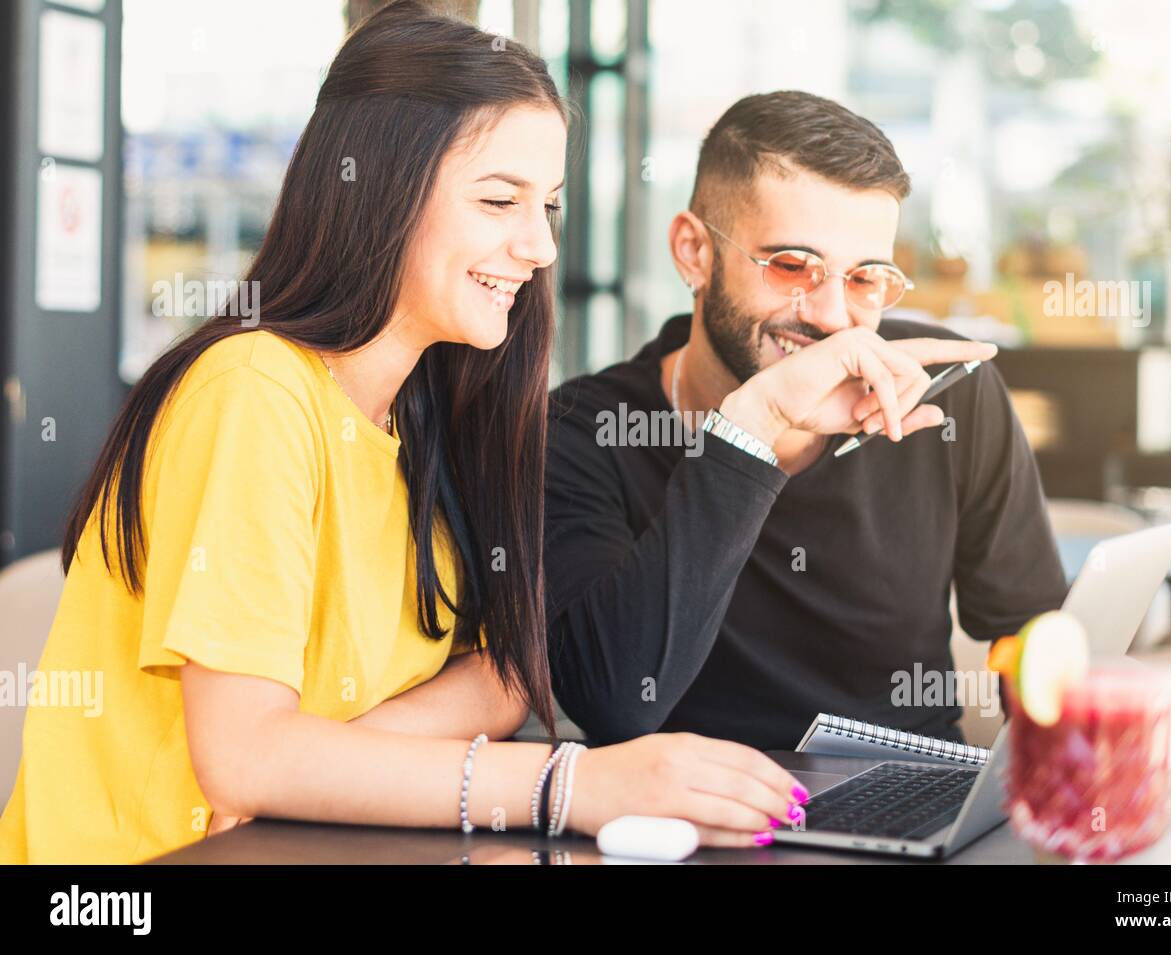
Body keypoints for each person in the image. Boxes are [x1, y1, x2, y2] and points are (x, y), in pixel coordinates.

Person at [0, 2, 806, 864]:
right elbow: (240, 758)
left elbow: (503, 674)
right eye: (500, 199)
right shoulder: (253, 392)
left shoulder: (431, 405)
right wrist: (569, 785)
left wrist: (318, 759)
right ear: (379, 186)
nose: (537, 245)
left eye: (550, 207)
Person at [545, 91, 1068, 750]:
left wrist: (1102, 724)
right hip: (701, 827)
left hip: (918, 808)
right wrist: (754, 425)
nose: (830, 316)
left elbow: (1026, 629)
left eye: (864, 279)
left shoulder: (946, 393)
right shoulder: (582, 433)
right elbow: (614, 701)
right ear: (693, 251)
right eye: (793, 266)